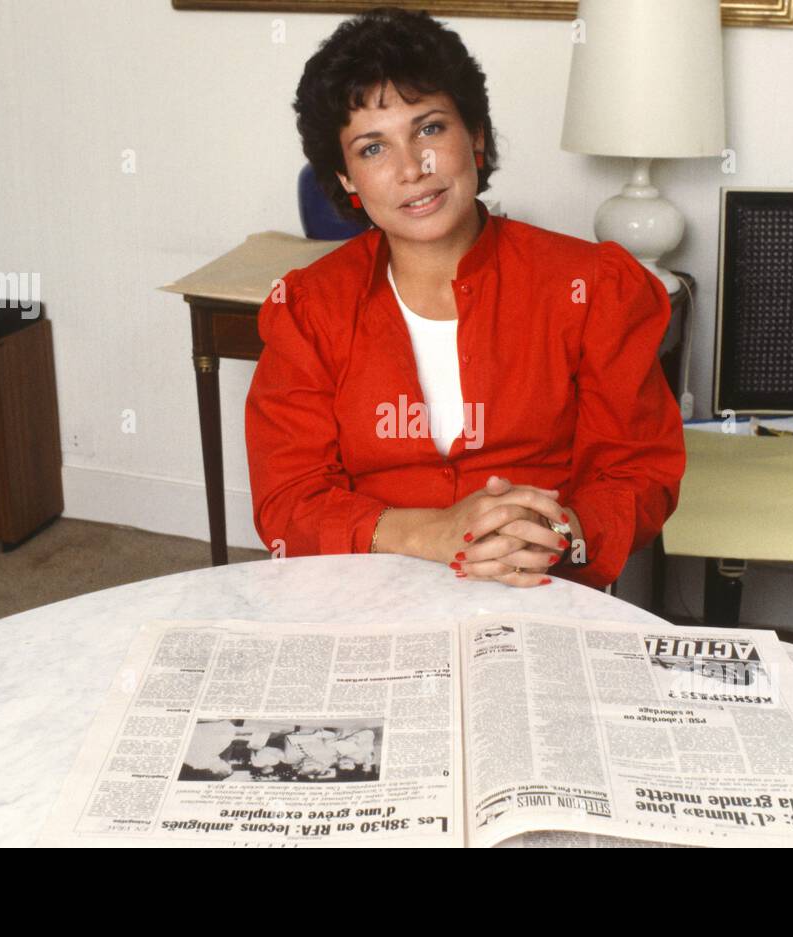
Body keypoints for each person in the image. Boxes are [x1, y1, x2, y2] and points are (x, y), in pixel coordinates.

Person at [245, 7, 685, 590]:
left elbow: (636, 472)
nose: (412, 168)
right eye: (373, 149)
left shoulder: (591, 287)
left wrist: (558, 530)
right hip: (368, 593)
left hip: (536, 588)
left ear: (474, 135)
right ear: (346, 179)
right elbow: (288, 497)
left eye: (429, 128)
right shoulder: (310, 307)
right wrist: (427, 532)